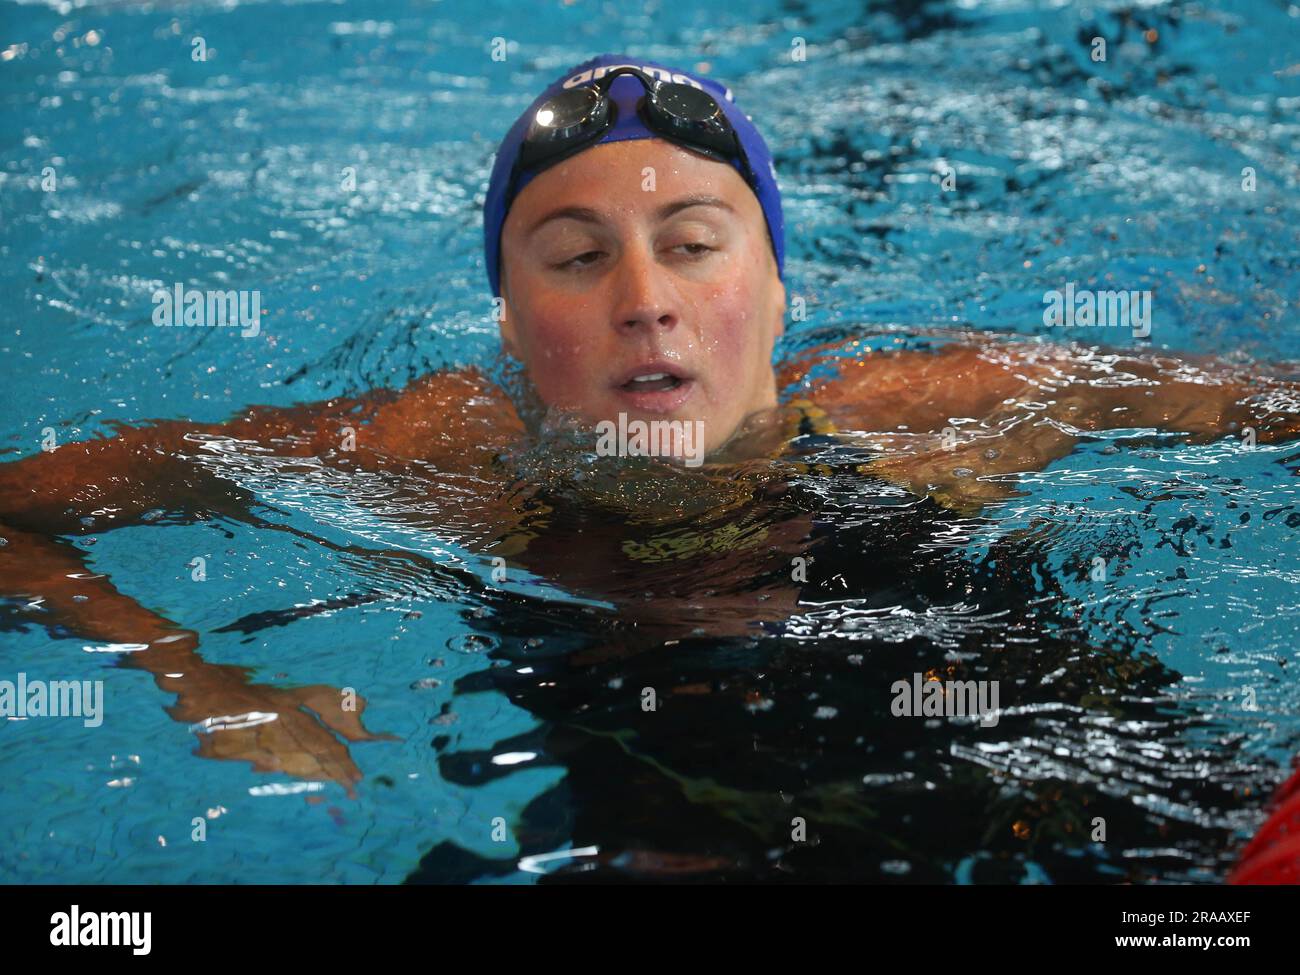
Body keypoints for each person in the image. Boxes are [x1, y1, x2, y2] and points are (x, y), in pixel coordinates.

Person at [2, 55, 1297, 875]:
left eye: (692, 244)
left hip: (1039, 747)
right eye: (576, 257)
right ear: (509, 325)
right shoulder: (434, 462)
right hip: (665, 784)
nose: (645, 301)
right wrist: (195, 677)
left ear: (780, 294)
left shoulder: (935, 414)